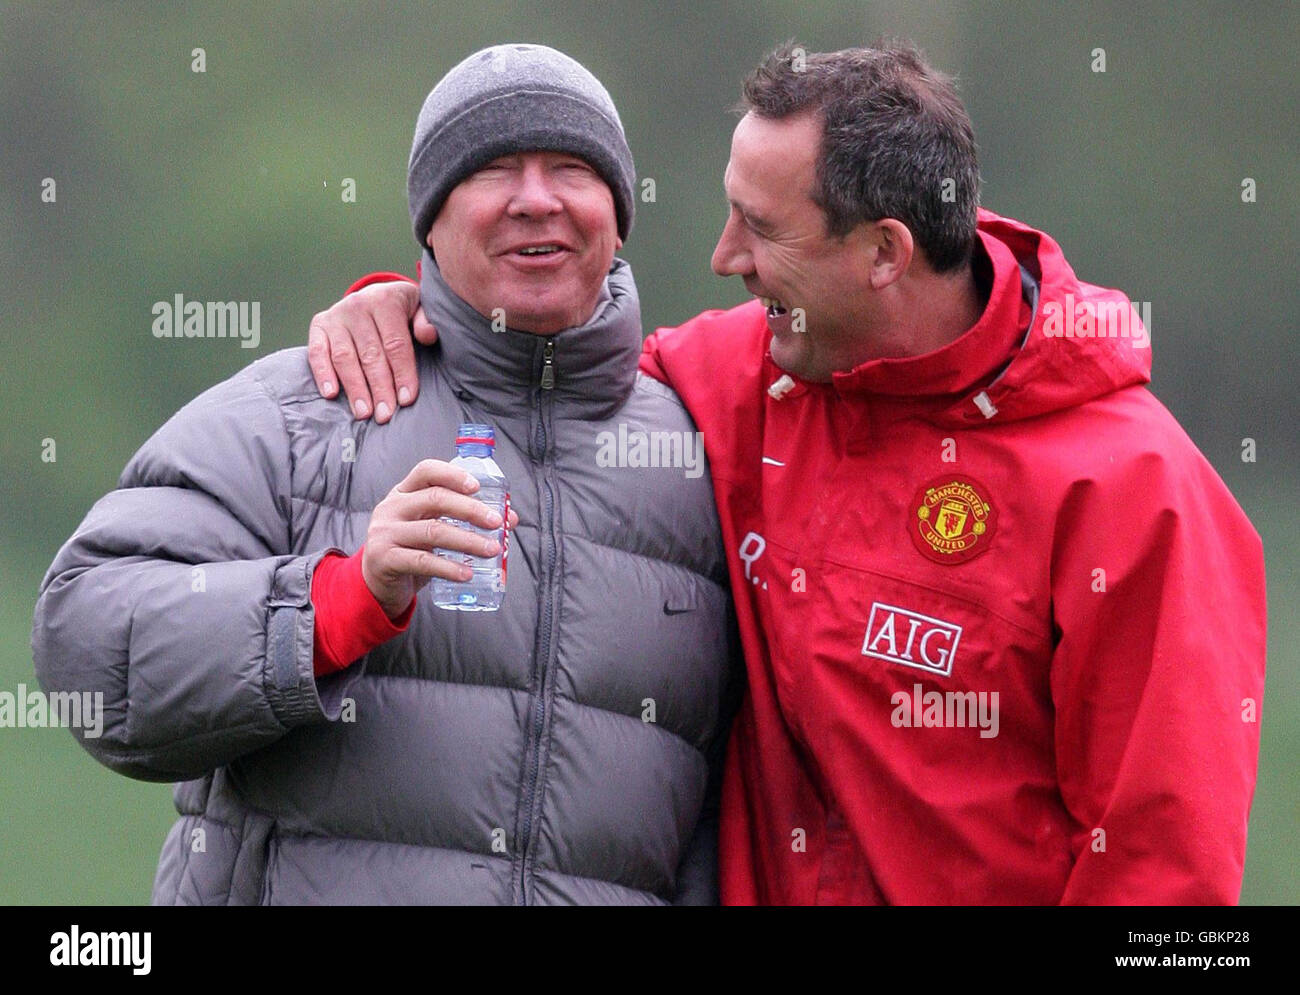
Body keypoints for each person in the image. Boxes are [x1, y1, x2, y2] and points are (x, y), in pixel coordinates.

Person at [312, 41, 1268, 904]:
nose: (724, 257)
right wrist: (405, 306)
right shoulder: (735, 377)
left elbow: (1168, 886)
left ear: (884, 253)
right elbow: (545, 384)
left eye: (760, 229)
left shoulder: (1141, 494)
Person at [31, 43, 736, 905]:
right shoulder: (306, 407)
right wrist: (331, 607)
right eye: (493, 170)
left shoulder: (700, 451)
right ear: (430, 222)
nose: (537, 198)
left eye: (572, 168)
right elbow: (88, 645)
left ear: (619, 215)